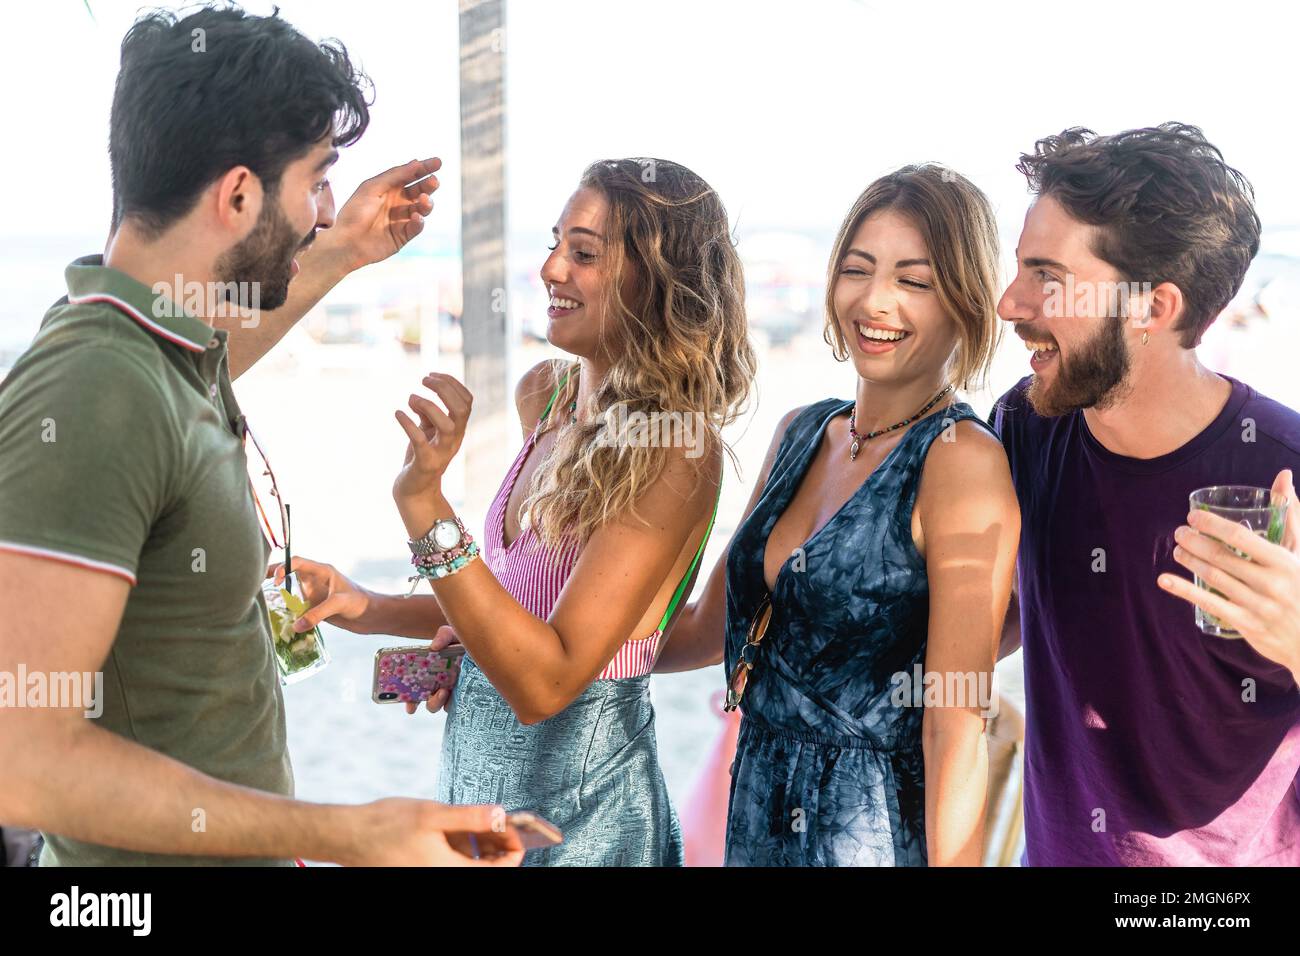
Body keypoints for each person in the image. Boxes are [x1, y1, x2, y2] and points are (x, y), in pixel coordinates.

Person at [0, 4, 520, 867]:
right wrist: (345, 832)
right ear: (238, 195)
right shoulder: (96, 387)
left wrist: (345, 251)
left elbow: (205, 358)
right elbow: (22, 761)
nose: (322, 210)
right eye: (315, 181)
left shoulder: (157, 352)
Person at [286, 157, 756, 865]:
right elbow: (510, 609)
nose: (551, 271)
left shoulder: (676, 453)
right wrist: (369, 607)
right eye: (555, 244)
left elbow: (546, 679)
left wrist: (424, 503)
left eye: (585, 254)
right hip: (481, 815)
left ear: (657, 282)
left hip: (586, 831)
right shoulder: (549, 397)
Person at [657, 165, 1021, 866]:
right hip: (756, 802)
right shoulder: (801, 431)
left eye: (913, 281)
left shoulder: (959, 461)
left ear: (964, 302)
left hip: (869, 830)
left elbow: (955, 718)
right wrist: (537, 650)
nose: (875, 301)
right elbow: (709, 627)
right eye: (858, 270)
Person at [992, 123, 1300, 865]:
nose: (1009, 303)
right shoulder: (1025, 429)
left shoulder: (1288, 470)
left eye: (1047, 277)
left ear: (1153, 309)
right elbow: (984, 622)